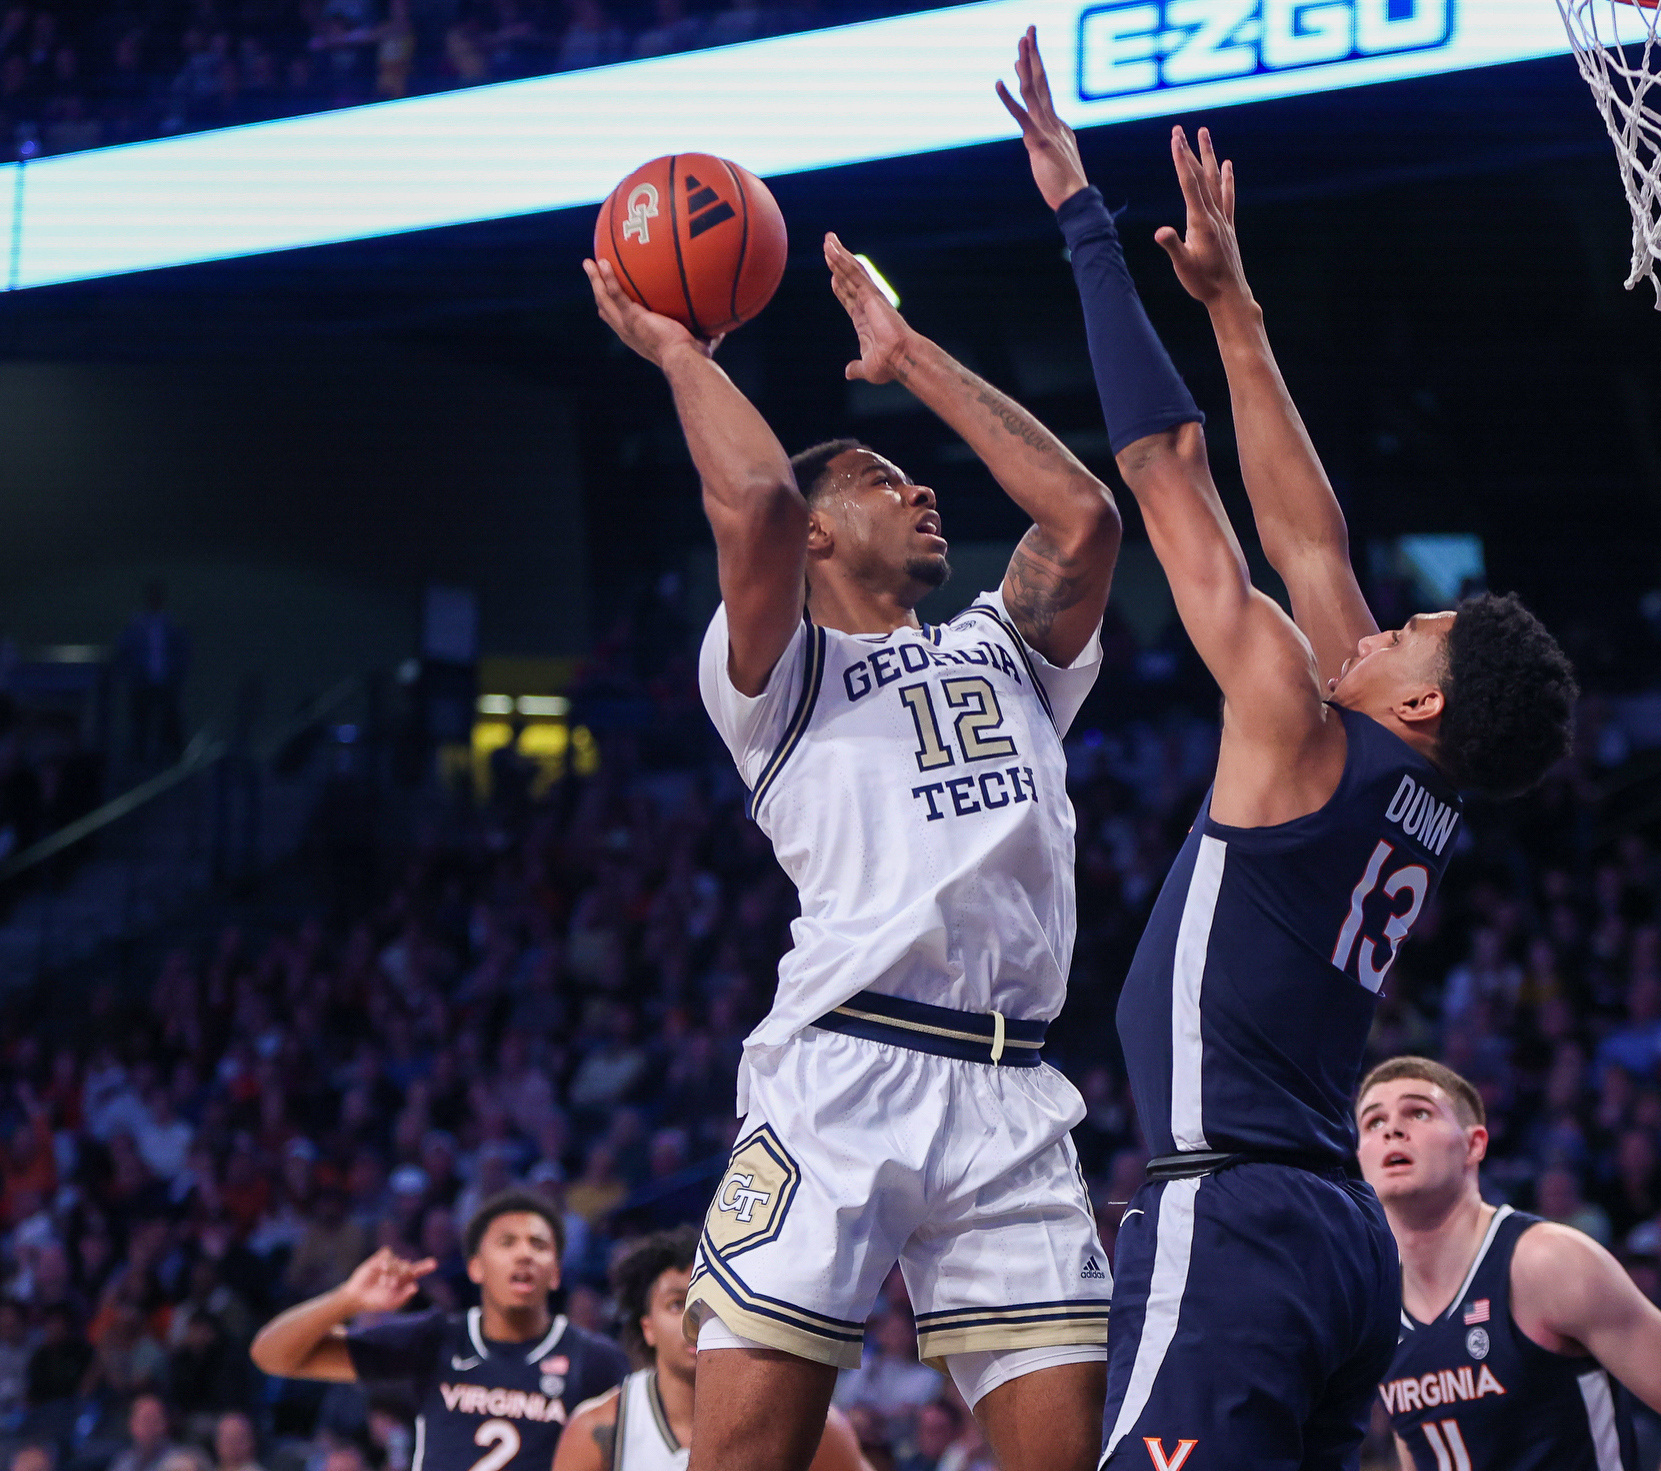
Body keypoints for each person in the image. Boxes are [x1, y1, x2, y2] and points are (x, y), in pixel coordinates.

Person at [995, 40, 1577, 1469]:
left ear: (1423, 702)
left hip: (1236, 1212)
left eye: (1414, 630)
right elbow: (1308, 535)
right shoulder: (1407, 781)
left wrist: (1082, 220)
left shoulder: (1295, 725)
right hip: (1335, 1240)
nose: (1383, 624)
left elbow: (1164, 475)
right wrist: (1232, 304)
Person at [582, 64, 1124, 1468]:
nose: (920, 485)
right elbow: (755, 493)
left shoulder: (1005, 646)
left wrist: (910, 357)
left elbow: (1081, 508)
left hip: (1011, 1087)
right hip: (839, 1075)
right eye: (884, 475)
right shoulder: (774, 675)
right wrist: (675, 348)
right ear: (823, 538)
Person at [1356, 1057, 1661, 1471]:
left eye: (1418, 1112)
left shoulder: (1545, 1262)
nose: (1393, 1130)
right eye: (1373, 1122)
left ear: (1474, 1145)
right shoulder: (1375, 1305)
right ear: (1360, 1157)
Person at [248, 1190, 629, 1471]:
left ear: (556, 1271)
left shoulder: (596, 1360)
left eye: (538, 1244)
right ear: (476, 1267)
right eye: (507, 1243)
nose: (524, 1254)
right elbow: (272, 1354)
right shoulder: (435, 1339)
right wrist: (347, 1299)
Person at [551, 1232, 863, 1471]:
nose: (695, 1319)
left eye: (712, 1301)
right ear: (647, 1327)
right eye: (677, 1304)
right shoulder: (598, 1428)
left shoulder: (809, 1420)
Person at [114, 581, 188, 766]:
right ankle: (139, 758)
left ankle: (172, 757)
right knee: (140, 722)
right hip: (142, 682)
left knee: (170, 721)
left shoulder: (170, 623)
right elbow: (124, 649)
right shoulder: (137, 624)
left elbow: (182, 651)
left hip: (165, 681)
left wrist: (176, 674)